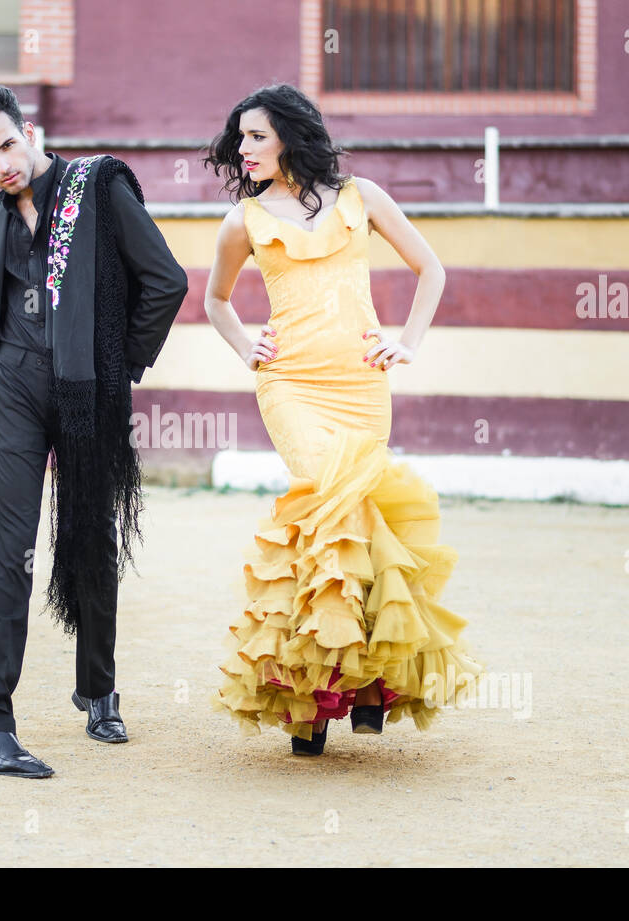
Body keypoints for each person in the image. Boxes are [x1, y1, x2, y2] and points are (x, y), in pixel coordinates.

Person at [0, 85, 187, 778]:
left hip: (87, 389)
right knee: (14, 542)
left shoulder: (96, 188)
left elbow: (167, 281)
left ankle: (98, 689)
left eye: (6, 145)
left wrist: (118, 362)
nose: (0, 164)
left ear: (28, 131)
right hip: (16, 392)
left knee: (90, 531)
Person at [202, 84, 484, 756]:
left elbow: (431, 268)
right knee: (328, 511)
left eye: (256, 138)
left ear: (292, 136)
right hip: (291, 386)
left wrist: (408, 340)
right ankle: (309, 702)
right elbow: (215, 300)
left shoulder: (363, 197)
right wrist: (247, 347)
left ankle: (360, 688)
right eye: (239, 139)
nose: (243, 150)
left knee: (359, 521)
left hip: (362, 385)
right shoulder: (242, 220)